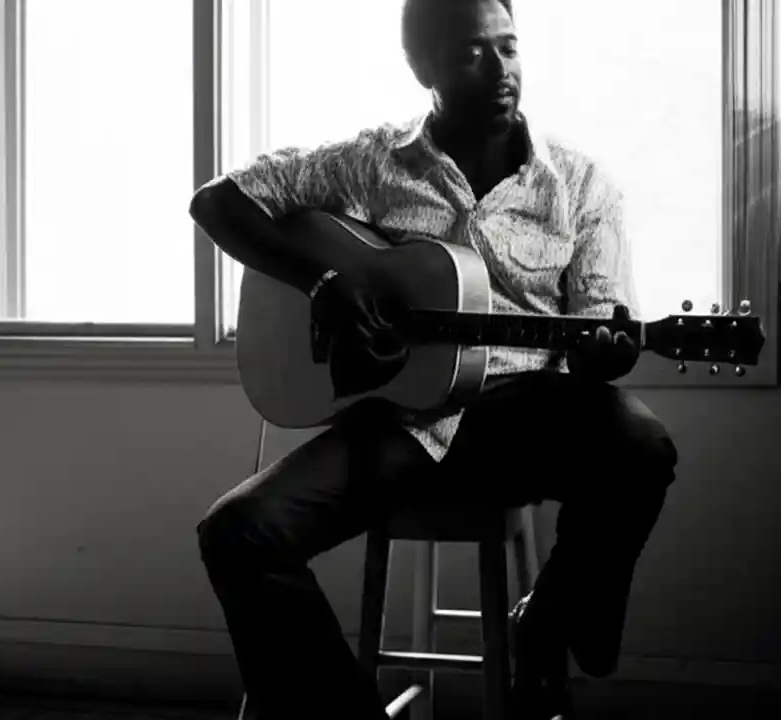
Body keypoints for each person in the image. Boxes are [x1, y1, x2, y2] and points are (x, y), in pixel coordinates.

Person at [190, 0, 678, 718]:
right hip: (397, 427)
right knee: (235, 533)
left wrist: (607, 353)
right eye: (472, 54)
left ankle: (549, 624)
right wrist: (321, 282)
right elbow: (218, 202)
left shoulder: (579, 186)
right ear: (425, 68)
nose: (501, 69)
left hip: (525, 420)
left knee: (641, 446)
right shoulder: (370, 164)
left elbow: (601, 322)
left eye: (509, 47)